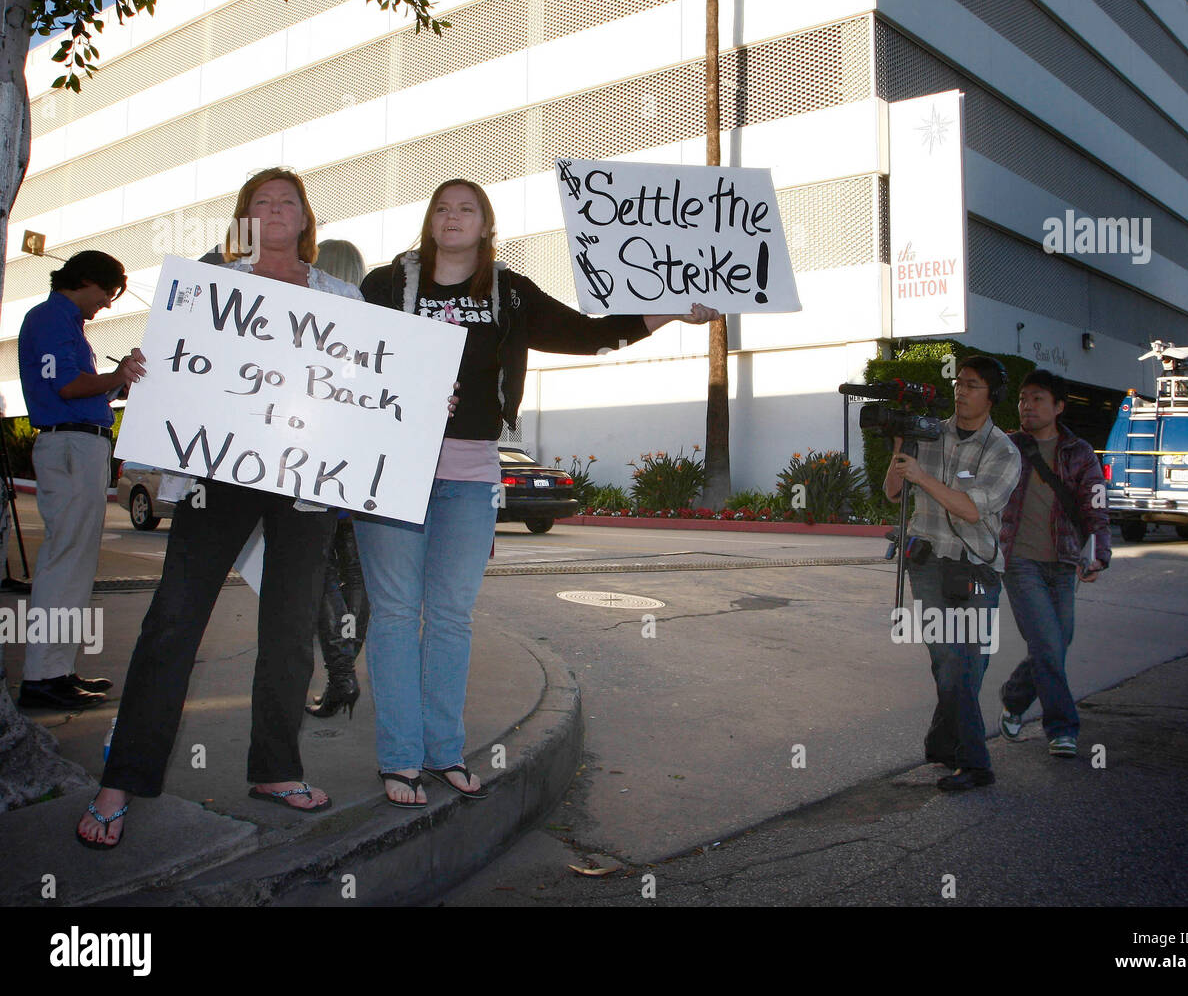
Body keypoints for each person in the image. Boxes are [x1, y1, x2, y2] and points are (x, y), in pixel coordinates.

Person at [355, 178, 718, 807]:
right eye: (442, 207)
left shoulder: (510, 293)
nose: (452, 217)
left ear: (485, 224)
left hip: (470, 472)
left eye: (466, 209)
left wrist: (673, 312)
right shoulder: (387, 287)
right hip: (390, 468)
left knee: (448, 616)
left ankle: (442, 753)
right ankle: (398, 760)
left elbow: (588, 333)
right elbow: (350, 357)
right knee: (392, 615)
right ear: (429, 220)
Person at [76, 169, 361, 849]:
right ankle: (123, 775)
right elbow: (179, 363)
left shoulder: (340, 295)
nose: (274, 210)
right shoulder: (209, 284)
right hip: (219, 472)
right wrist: (147, 368)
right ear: (244, 217)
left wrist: (418, 401)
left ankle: (275, 768)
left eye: (287, 200)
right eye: (261, 201)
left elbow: (373, 380)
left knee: (291, 624)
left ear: (305, 217)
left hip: (306, 477)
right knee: (174, 615)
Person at [884, 356, 1021, 791]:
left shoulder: (1003, 450)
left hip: (975, 568)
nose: (961, 391)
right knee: (950, 661)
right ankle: (954, 750)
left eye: (973, 385)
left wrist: (921, 476)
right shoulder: (930, 433)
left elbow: (968, 508)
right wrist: (900, 449)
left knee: (962, 665)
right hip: (926, 564)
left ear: (992, 395)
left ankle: (970, 759)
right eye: (959, 383)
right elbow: (891, 493)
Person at [17, 251, 146, 711]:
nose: (106, 305)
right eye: (106, 295)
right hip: (70, 445)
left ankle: (56, 670)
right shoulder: (51, 318)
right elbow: (68, 386)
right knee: (65, 560)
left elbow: (78, 384)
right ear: (86, 281)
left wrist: (116, 382)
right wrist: (114, 376)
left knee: (74, 562)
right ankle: (42, 676)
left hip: (79, 443)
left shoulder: (65, 322)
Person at [996, 369, 1111, 759]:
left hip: (1063, 563)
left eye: (1037, 399)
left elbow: (1095, 509)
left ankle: (1014, 697)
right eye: (1023, 398)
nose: (1027, 405)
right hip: (1020, 562)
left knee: (1057, 644)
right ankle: (1062, 728)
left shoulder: (1079, 453)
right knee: (1047, 643)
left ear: (1059, 407)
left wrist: (1097, 554)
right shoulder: (1006, 447)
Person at [305, 239, 372, 720]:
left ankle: (342, 676)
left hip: (310, 465)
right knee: (357, 576)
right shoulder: (369, 320)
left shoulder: (302, 317)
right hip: (364, 467)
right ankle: (345, 674)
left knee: (321, 574)